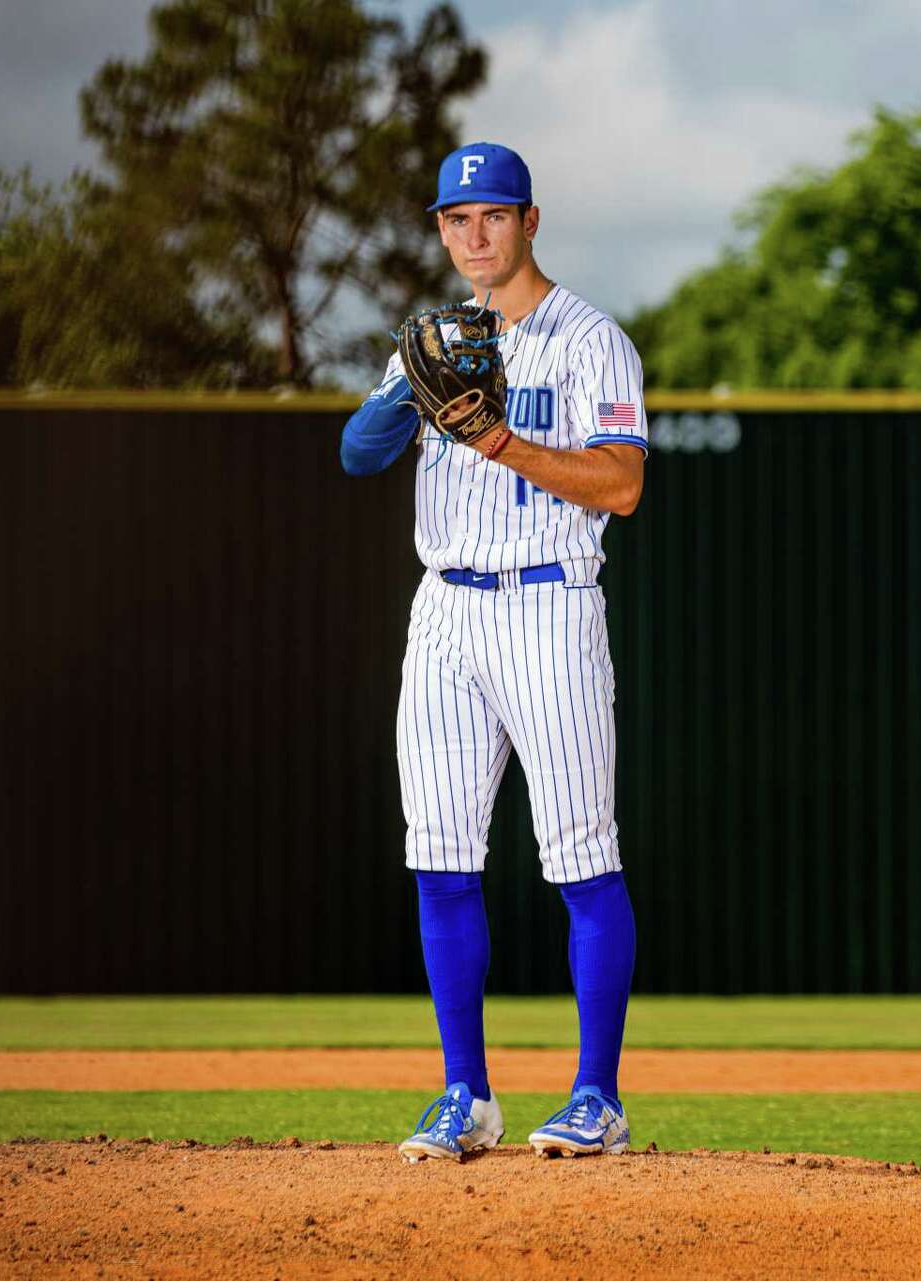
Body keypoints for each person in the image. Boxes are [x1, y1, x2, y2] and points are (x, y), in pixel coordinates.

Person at [338, 141, 647, 1162]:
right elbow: (357, 455)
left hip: (549, 603)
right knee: (438, 856)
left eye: (495, 216)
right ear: (440, 228)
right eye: (457, 219)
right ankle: (464, 1095)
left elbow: (621, 486)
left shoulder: (592, 339)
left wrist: (499, 439)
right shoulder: (428, 339)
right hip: (446, 610)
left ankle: (595, 1097)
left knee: (580, 856)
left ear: (529, 220)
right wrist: (406, 393)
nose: (477, 235)